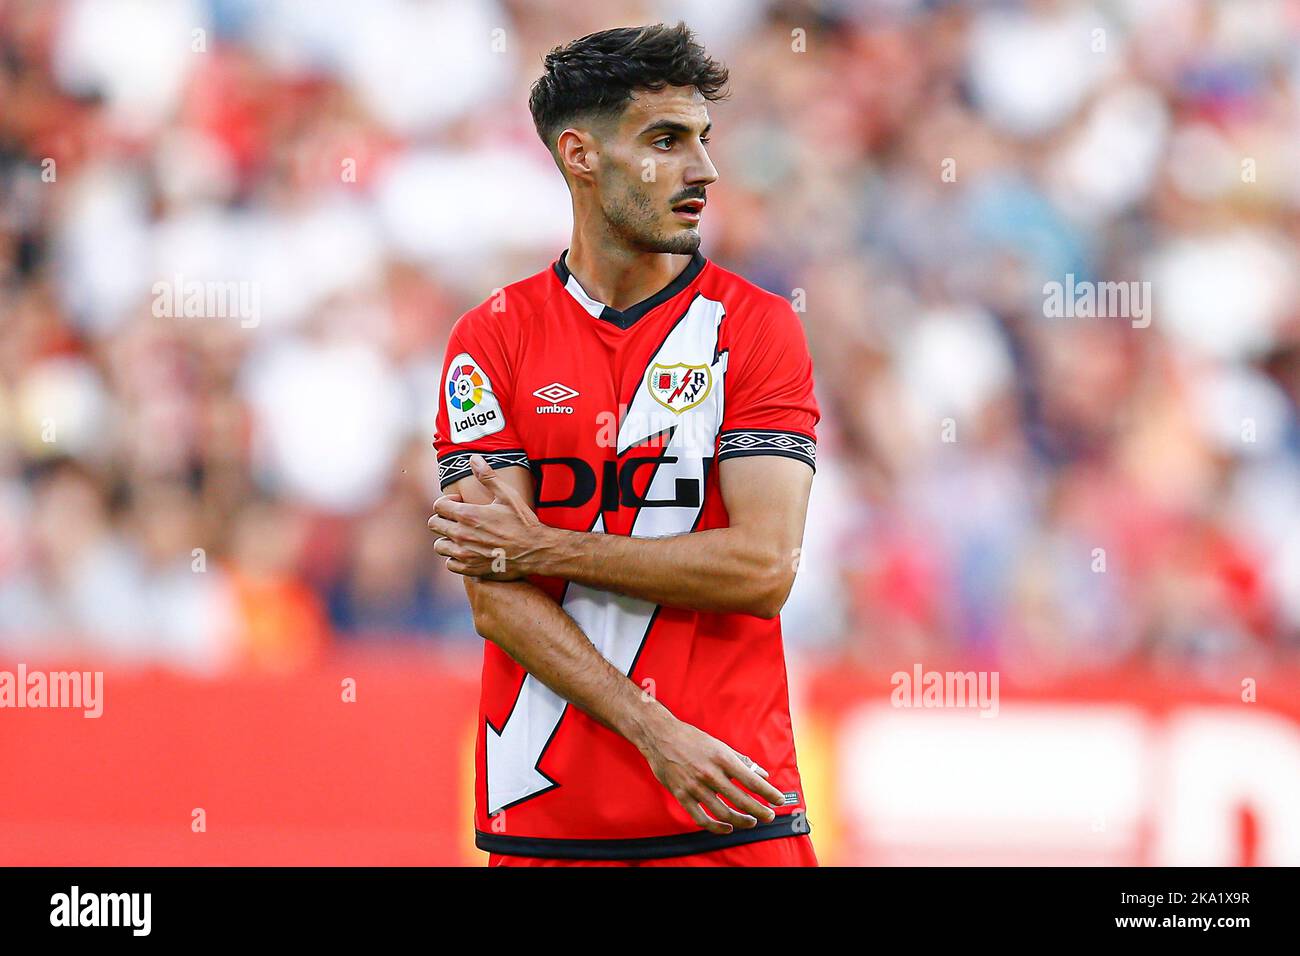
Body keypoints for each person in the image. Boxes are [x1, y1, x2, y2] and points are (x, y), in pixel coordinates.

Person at [428, 22, 819, 866]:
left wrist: (545, 544)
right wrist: (653, 731)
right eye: (666, 141)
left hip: (732, 809)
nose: (704, 170)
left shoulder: (754, 329)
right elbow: (495, 592)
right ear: (580, 154)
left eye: (704, 140)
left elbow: (762, 570)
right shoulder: (490, 339)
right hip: (546, 824)